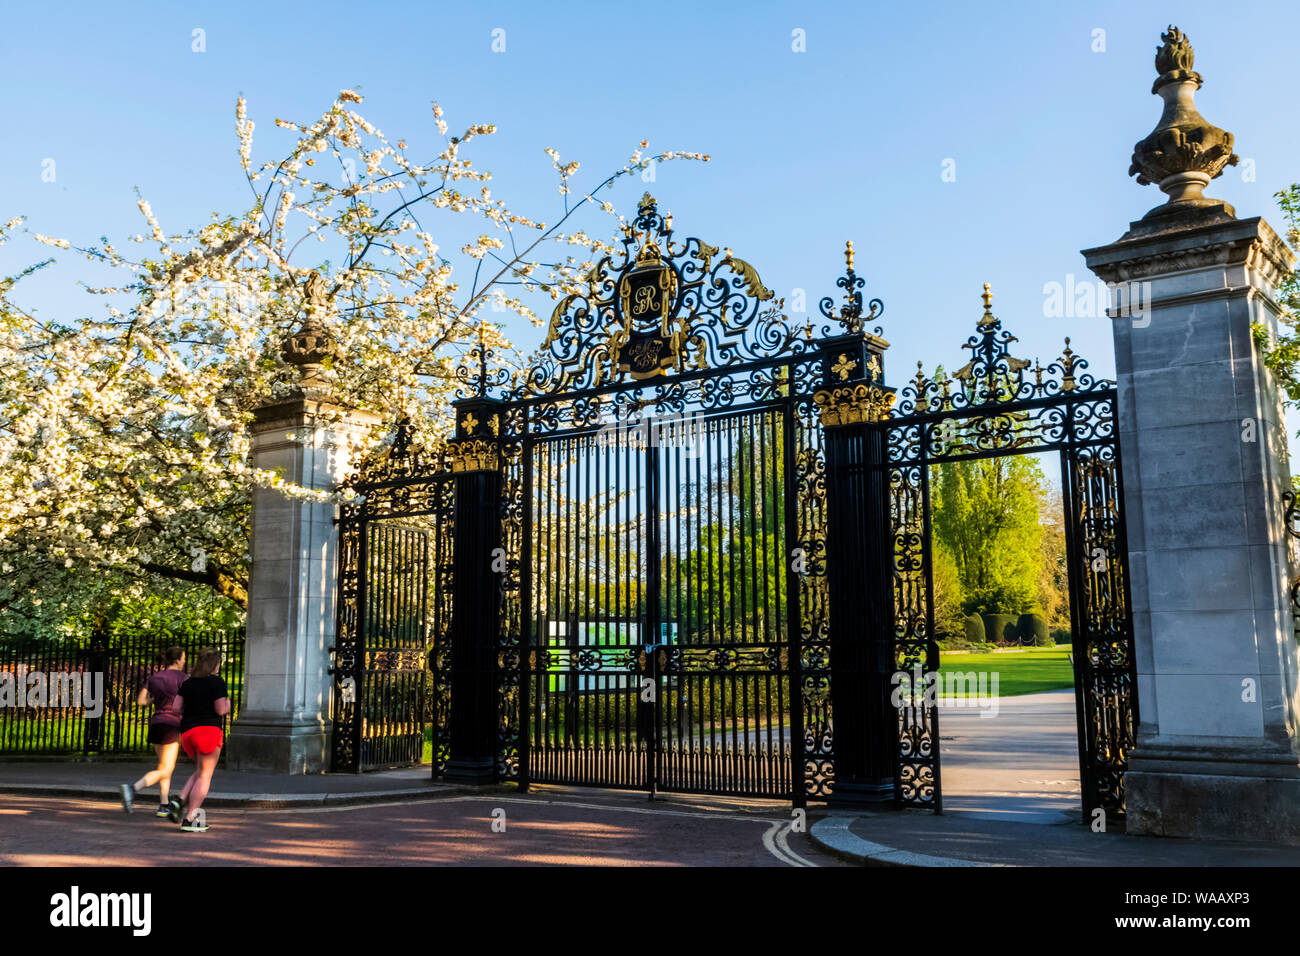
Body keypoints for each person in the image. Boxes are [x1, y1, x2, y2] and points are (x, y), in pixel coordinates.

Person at [167, 647, 230, 833]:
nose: (219, 666)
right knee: (205, 776)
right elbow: (220, 710)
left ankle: (179, 799)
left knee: (200, 770)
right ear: (214, 664)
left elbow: (176, 708)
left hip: (188, 732)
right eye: (218, 663)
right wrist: (228, 704)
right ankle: (190, 818)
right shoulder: (217, 682)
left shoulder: (188, 683)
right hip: (208, 730)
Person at [120, 647, 187, 817]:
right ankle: (133, 788)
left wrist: (154, 699)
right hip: (172, 724)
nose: (185, 661)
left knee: (163, 766)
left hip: (156, 723)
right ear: (178, 659)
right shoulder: (183, 678)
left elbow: (141, 701)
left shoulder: (155, 677)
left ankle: (163, 804)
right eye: (184, 658)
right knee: (166, 768)